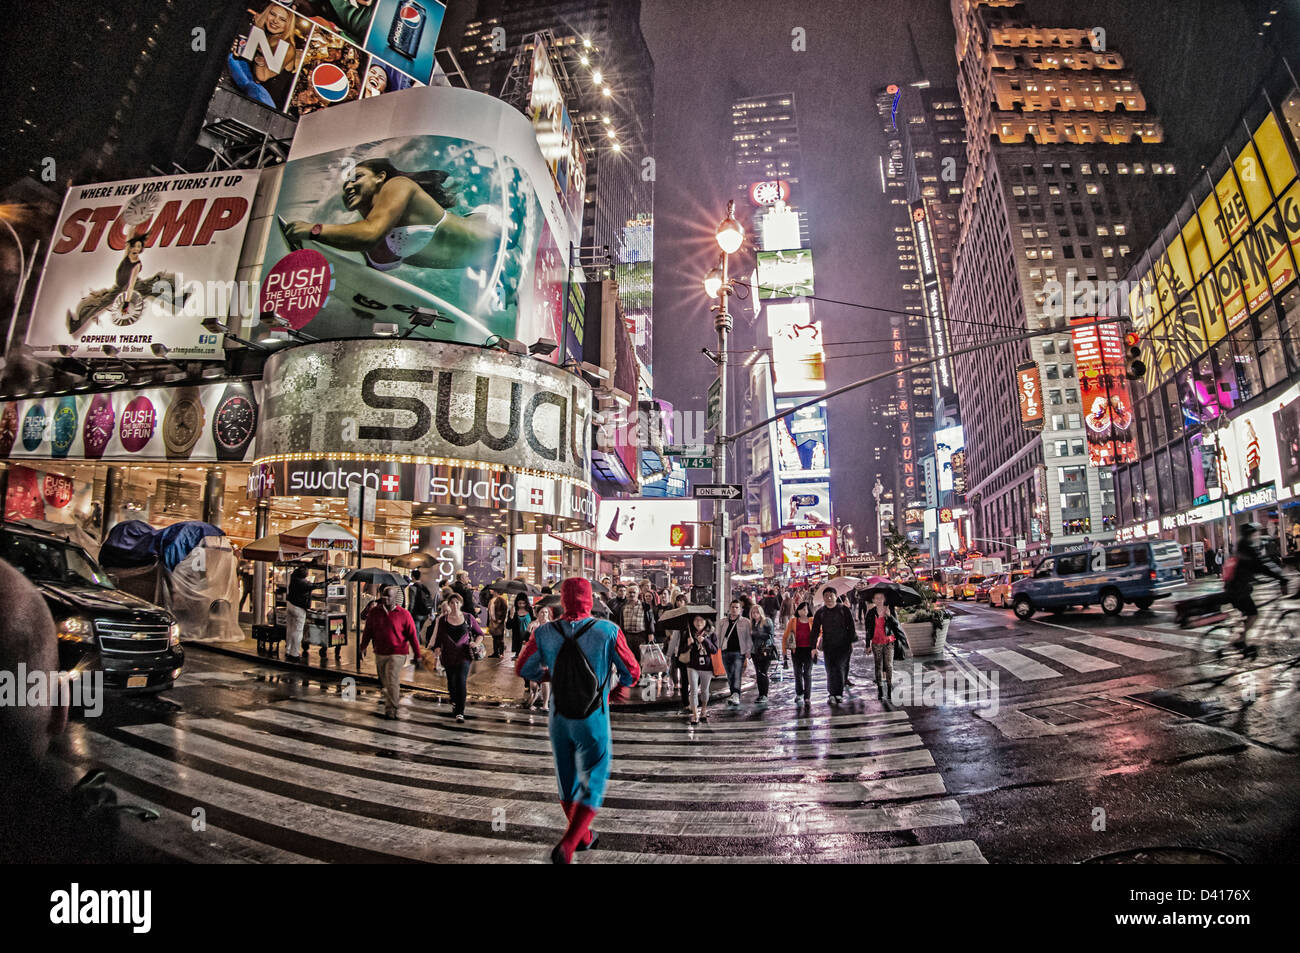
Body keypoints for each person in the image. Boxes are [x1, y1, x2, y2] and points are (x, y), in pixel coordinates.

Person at [516, 578, 640, 864]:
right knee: (593, 777)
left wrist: (553, 675)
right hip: (593, 716)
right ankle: (570, 843)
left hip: (559, 718)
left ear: (564, 599)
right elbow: (632, 672)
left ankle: (583, 836)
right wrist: (616, 690)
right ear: (589, 599)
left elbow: (525, 667)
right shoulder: (608, 630)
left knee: (567, 781)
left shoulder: (545, 631)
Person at [285, 157, 503, 274]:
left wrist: (315, 230)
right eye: (345, 184)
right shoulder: (363, 236)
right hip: (476, 261)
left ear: (380, 177)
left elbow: (371, 233)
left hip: (493, 230)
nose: (348, 187)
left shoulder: (398, 185)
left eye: (357, 177)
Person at [359, 586, 421, 720]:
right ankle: (391, 703)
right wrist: (363, 647)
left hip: (397, 652)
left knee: (392, 679)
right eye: (384, 596)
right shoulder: (375, 612)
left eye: (388, 596)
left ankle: (391, 709)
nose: (385, 599)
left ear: (395, 598)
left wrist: (417, 654)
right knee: (385, 682)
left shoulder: (403, 614)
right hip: (380, 652)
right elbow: (368, 631)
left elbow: (412, 635)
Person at [1224, 523, 1289, 651]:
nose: (1254, 537)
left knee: (1249, 613)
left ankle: (1242, 641)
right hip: (1238, 590)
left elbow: (1256, 567)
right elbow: (1260, 566)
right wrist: (1281, 579)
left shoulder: (1242, 546)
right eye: (1253, 534)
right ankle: (1239, 640)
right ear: (1249, 535)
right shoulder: (1247, 548)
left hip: (1236, 588)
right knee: (1253, 614)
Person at [429, 593, 486, 722]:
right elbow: (439, 638)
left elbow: (480, 634)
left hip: (464, 655)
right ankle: (454, 700)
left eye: (457, 602)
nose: (454, 605)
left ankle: (460, 711)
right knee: (451, 683)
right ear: (448, 604)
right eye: (452, 603)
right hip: (448, 655)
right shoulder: (443, 620)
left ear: (461, 604)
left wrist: (476, 643)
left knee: (461, 681)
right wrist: (437, 649)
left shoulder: (468, 618)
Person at [812, 587, 856, 705]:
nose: (829, 598)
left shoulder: (844, 610)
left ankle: (838, 693)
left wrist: (851, 641)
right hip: (828, 646)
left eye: (831, 595)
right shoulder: (820, 612)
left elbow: (851, 627)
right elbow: (815, 631)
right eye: (826, 596)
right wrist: (813, 648)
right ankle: (832, 693)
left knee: (839, 668)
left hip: (843, 645)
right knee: (830, 669)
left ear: (836, 597)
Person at [861, 592, 904, 703]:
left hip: (889, 642)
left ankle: (889, 688)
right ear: (873, 600)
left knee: (889, 665)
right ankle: (880, 689)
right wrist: (867, 645)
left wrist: (889, 616)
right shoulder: (871, 613)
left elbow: (896, 626)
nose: (879, 600)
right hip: (876, 643)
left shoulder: (890, 610)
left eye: (881, 598)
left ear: (884, 599)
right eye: (876, 598)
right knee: (878, 665)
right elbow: (868, 630)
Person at [678, 614, 718, 725]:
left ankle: (704, 710)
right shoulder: (688, 633)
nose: (698, 622)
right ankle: (695, 715)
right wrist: (688, 644)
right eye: (696, 620)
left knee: (705, 690)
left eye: (701, 620)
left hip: (707, 666)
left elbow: (714, 650)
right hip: (692, 665)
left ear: (706, 621)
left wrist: (705, 641)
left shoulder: (711, 634)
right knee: (694, 690)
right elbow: (681, 650)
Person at [286, 565, 327, 663]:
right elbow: (315, 586)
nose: (308, 573)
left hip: (290, 605)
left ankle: (288, 650)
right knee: (298, 631)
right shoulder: (302, 583)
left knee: (290, 629)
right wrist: (329, 581)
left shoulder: (293, 577)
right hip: (299, 608)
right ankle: (294, 654)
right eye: (307, 571)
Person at [782, 601, 818, 708]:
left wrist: (816, 646)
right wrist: (784, 652)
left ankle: (807, 697)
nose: (804, 611)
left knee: (807, 673)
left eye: (806, 609)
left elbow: (819, 632)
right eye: (802, 609)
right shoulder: (793, 621)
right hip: (796, 651)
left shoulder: (812, 621)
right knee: (797, 673)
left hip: (809, 651)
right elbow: (785, 636)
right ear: (798, 610)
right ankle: (799, 693)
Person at [718, 599, 753, 706]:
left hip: (739, 652)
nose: (734, 609)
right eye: (732, 607)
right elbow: (719, 636)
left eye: (737, 607)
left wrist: (749, 651)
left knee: (737, 673)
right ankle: (733, 693)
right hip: (725, 651)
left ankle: (736, 694)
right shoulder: (723, 621)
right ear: (729, 608)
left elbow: (748, 637)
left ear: (740, 610)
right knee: (730, 674)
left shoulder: (746, 622)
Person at [524, 605, 553, 710]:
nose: (544, 614)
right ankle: (534, 696)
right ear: (537, 614)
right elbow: (527, 640)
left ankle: (545, 705)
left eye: (546, 612)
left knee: (545, 680)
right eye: (542, 612)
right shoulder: (533, 625)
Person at [748, 604, 777, 703]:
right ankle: (761, 694)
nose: (755, 614)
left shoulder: (766, 621)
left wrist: (756, 634)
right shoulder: (752, 623)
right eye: (753, 612)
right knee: (758, 673)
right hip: (754, 651)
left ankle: (764, 694)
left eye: (757, 612)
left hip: (764, 651)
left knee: (763, 672)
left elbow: (771, 636)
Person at [507, 593, 533, 694]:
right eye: (519, 603)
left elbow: (535, 622)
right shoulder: (513, 611)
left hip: (529, 640)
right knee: (522, 663)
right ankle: (526, 682)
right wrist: (511, 616)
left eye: (523, 603)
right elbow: (508, 626)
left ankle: (530, 683)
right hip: (518, 641)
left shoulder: (530, 611)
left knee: (529, 662)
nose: (521, 605)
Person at [620, 586, 655, 661]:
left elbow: (650, 620)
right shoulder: (623, 607)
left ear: (638, 594)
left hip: (641, 636)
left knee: (641, 659)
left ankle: (640, 673)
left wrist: (651, 633)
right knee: (629, 659)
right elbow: (621, 622)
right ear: (626, 594)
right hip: (628, 636)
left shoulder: (645, 606)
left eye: (634, 592)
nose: (632, 594)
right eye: (630, 592)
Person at [407, 568, 436, 646]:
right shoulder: (424, 587)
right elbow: (429, 600)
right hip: (425, 614)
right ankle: (420, 646)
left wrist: (408, 614)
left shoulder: (412, 588)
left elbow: (412, 603)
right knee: (418, 630)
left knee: (416, 632)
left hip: (416, 614)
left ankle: (418, 650)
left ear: (413, 577)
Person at [487, 590, 510, 658]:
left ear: (495, 591)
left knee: (499, 637)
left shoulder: (502, 599)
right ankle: (495, 652)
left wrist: (501, 619)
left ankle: (501, 652)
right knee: (494, 637)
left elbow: (505, 610)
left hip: (499, 621)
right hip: (492, 621)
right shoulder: (491, 599)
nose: (490, 591)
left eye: (492, 590)